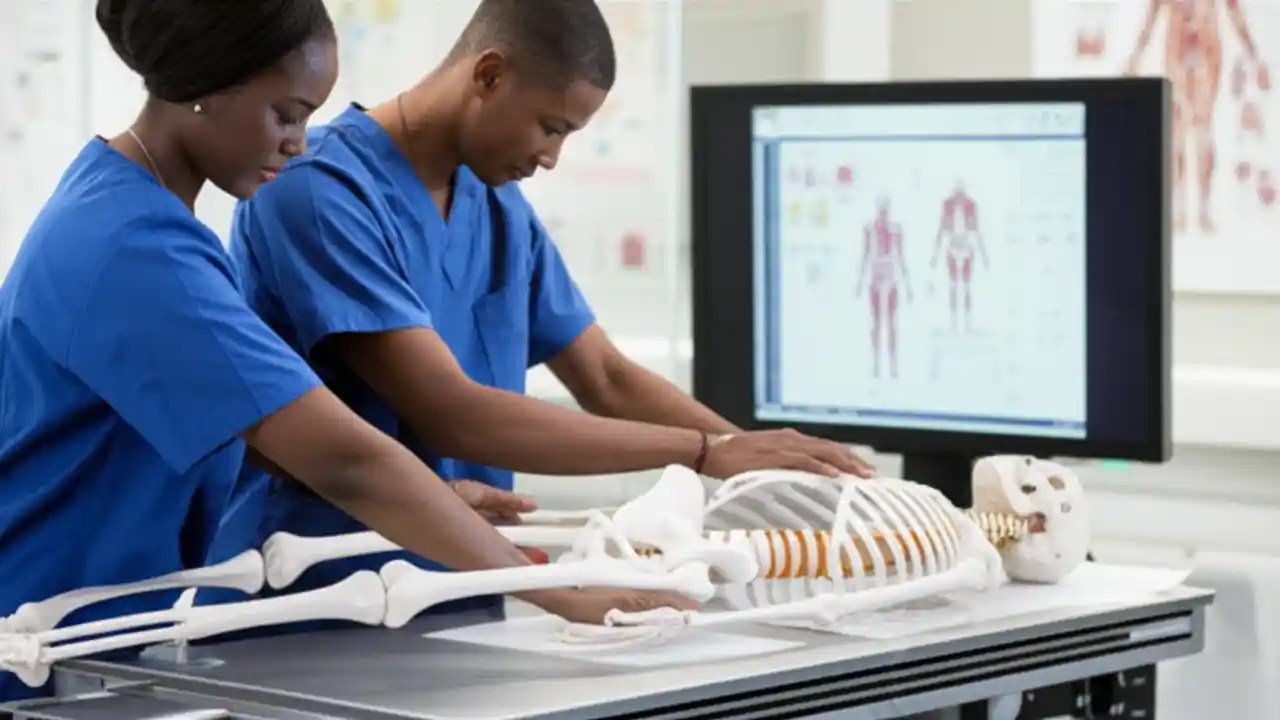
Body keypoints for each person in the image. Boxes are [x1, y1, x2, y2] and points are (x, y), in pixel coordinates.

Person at [0, 0, 689, 704]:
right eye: (286, 114)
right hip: (40, 643)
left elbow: (236, 427)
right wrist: (558, 587)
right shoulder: (136, 247)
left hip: (96, 641)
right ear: (206, 86)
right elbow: (346, 459)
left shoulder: (133, 216)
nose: (298, 142)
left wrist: (439, 499)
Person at [228, 0, 876, 600]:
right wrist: (701, 450)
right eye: (550, 126)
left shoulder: (498, 207)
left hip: (465, 595)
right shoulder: (316, 194)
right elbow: (454, 413)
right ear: (488, 75)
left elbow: (605, 375)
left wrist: (759, 464)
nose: (552, 158)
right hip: (321, 596)